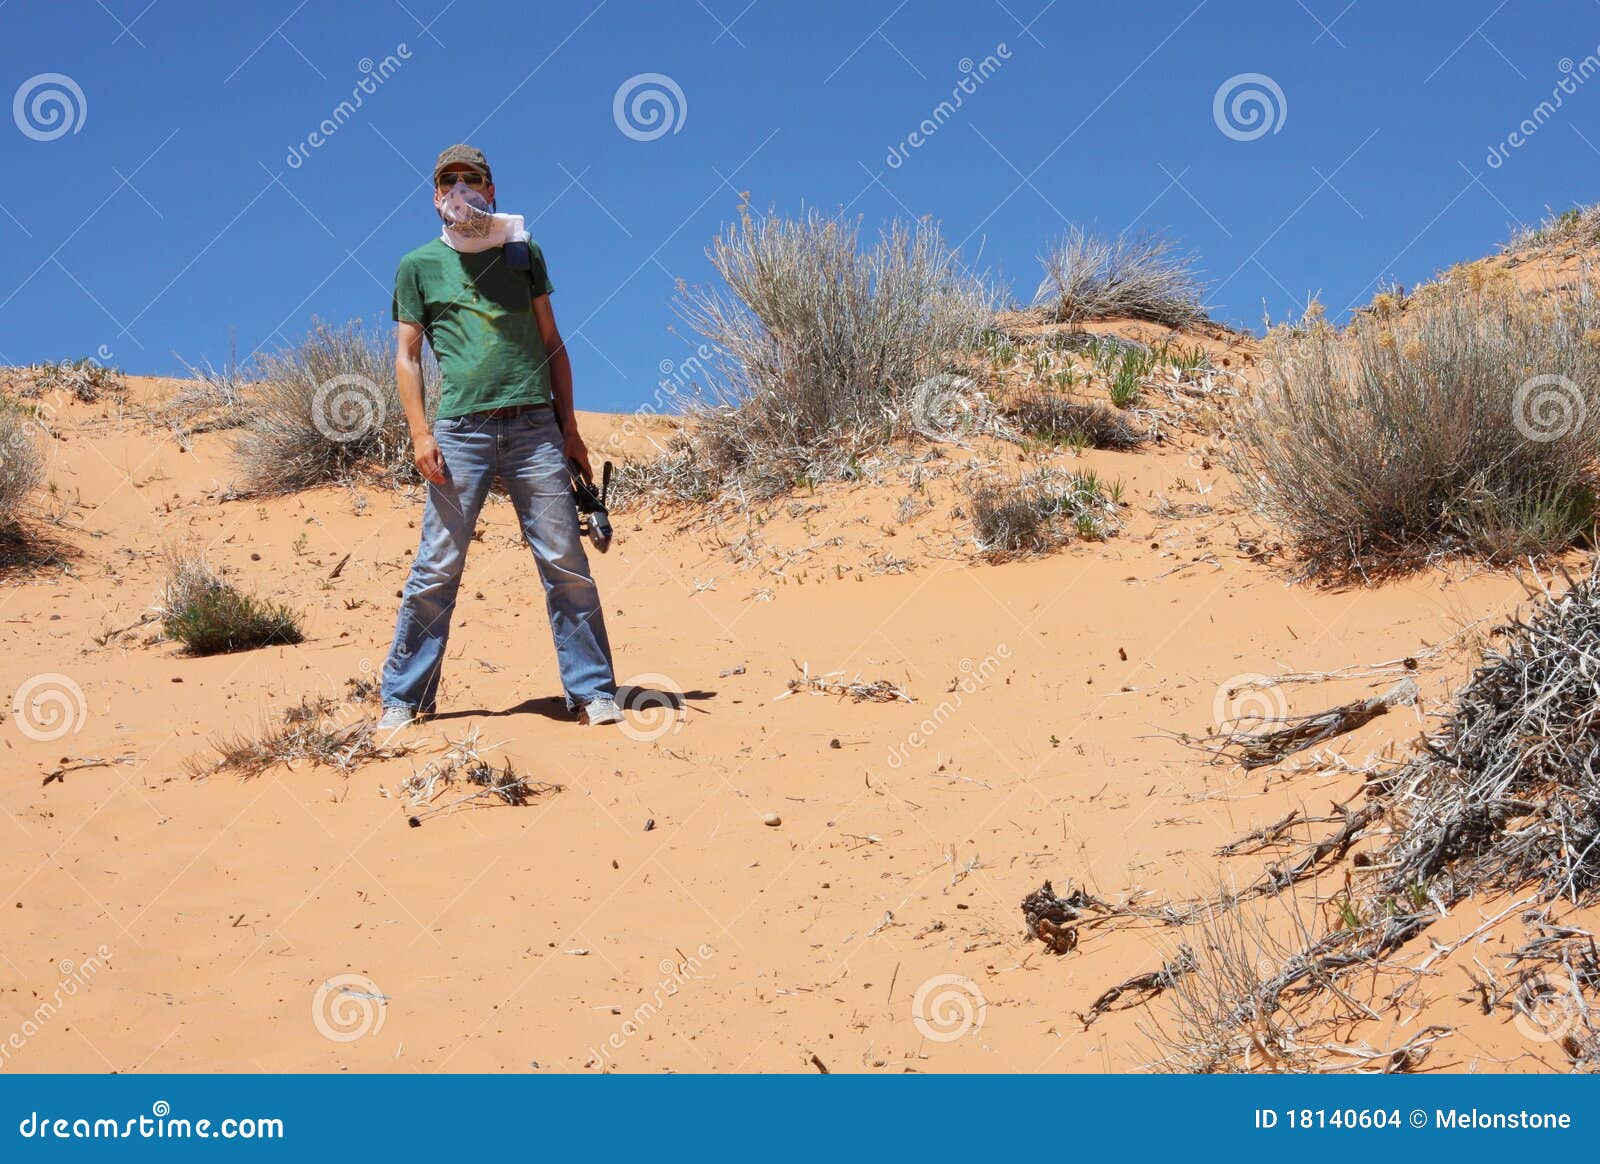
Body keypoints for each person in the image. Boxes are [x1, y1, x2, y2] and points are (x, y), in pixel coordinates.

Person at [378, 144, 621, 729]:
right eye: (449, 182)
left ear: (491, 190)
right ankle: (406, 699)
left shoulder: (522, 253)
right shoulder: (418, 265)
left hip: (535, 425)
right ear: (436, 196)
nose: (460, 190)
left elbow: (552, 341)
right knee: (437, 565)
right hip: (460, 430)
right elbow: (407, 357)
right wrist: (419, 432)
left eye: (472, 180)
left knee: (565, 561)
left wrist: (570, 427)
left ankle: (592, 692)